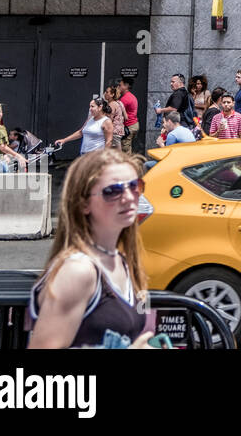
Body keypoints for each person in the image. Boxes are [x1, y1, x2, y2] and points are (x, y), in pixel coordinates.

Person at [28, 149, 150, 349]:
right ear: (83, 203)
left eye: (135, 186)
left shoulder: (123, 261)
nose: (128, 197)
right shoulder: (78, 271)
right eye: (113, 191)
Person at [117, 76, 139, 153]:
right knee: (127, 148)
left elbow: (117, 112)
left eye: (120, 85)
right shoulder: (131, 96)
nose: (118, 87)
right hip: (133, 124)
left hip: (129, 126)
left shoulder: (125, 99)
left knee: (125, 150)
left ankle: (128, 164)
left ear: (126, 86)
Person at [103, 84, 128, 151]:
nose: (105, 94)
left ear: (112, 94)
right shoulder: (120, 103)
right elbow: (126, 117)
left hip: (113, 133)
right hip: (119, 132)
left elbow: (108, 121)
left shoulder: (111, 104)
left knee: (115, 155)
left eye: (107, 92)